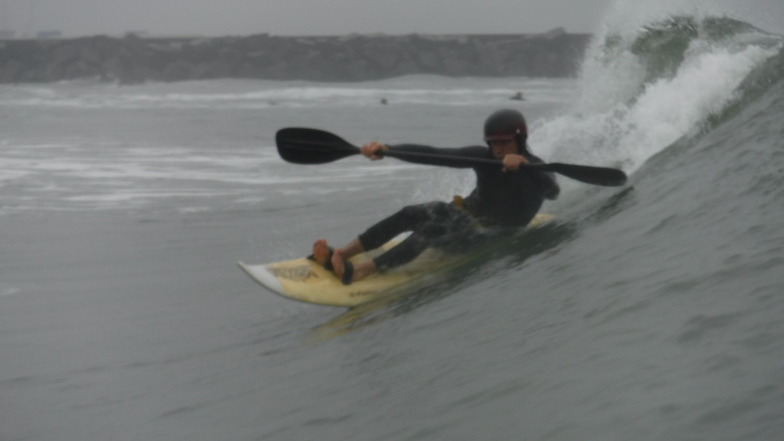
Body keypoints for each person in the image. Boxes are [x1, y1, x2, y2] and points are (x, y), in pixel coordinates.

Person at [310, 109, 560, 284]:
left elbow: (553, 191)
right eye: (493, 143)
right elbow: (434, 154)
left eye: (504, 143)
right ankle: (341, 254)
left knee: (431, 229)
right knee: (413, 213)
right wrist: (388, 150)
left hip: (489, 235)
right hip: (463, 216)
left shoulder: (535, 167)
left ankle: (361, 273)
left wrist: (524, 165)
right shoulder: (484, 158)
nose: (497, 149)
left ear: (520, 140)